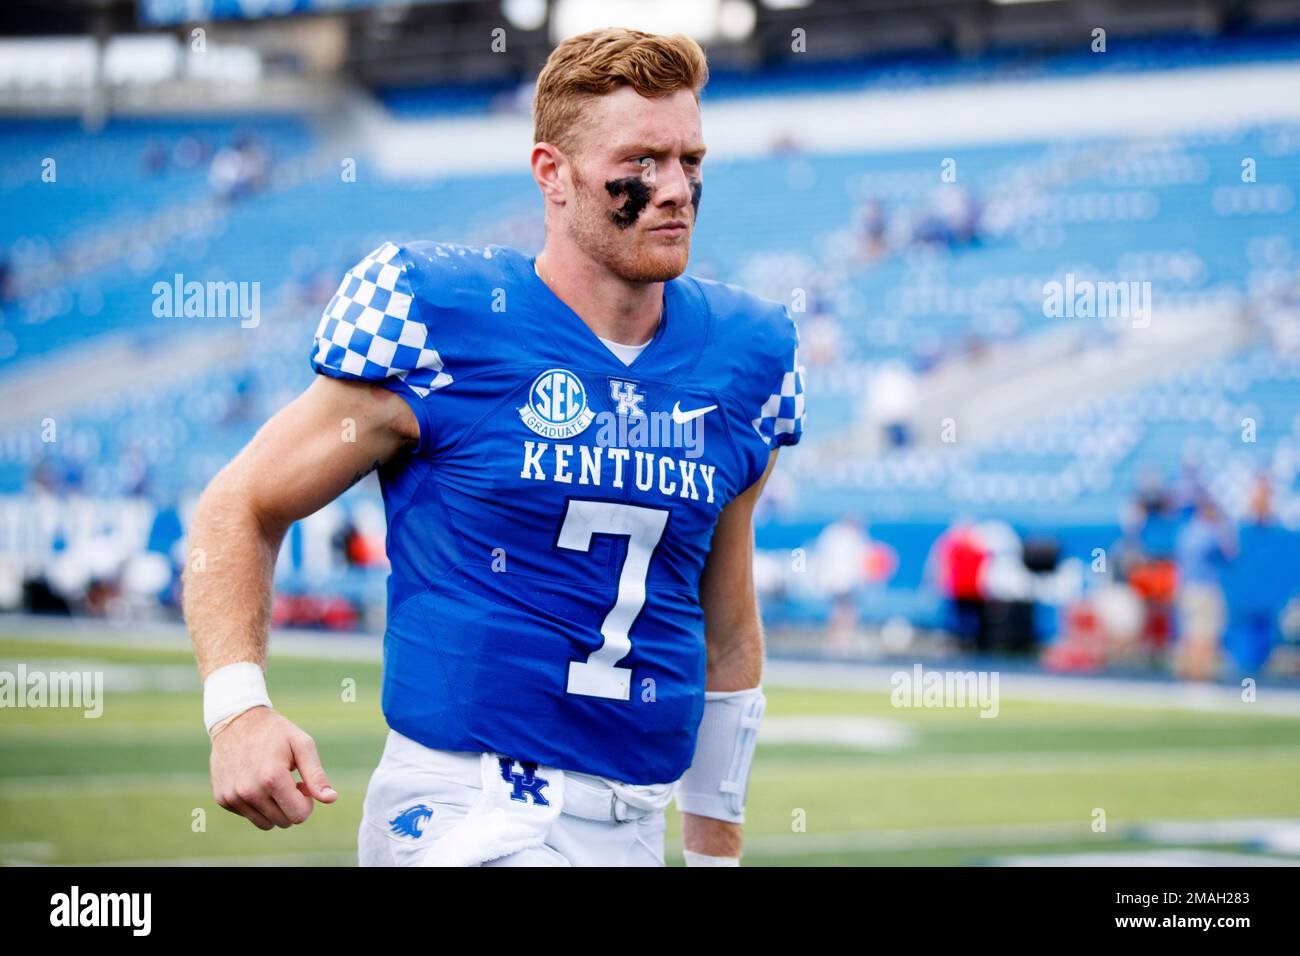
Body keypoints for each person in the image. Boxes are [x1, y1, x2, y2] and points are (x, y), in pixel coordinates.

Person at [183, 28, 805, 868]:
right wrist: (238, 709)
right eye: (642, 161)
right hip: (468, 809)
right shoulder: (442, 320)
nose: (676, 189)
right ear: (553, 173)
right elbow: (241, 503)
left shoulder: (746, 354)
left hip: (632, 826)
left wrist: (714, 854)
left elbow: (725, 629)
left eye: (691, 159)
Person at [1173, 496, 1237, 681]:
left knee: (1188, 632)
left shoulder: (1186, 531)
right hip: (1204, 588)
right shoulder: (1209, 532)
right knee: (1204, 634)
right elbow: (1230, 553)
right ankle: (1200, 675)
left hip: (1186, 587)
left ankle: (1186, 674)